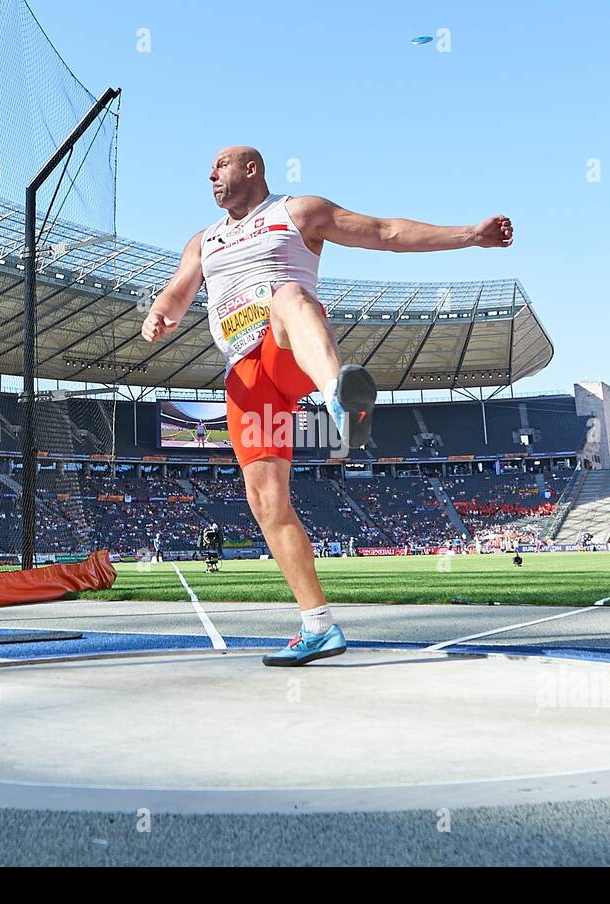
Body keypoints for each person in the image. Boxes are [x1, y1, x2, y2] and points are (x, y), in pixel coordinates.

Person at [141, 145, 512, 665]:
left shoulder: (297, 213)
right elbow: (180, 291)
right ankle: (318, 626)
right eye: (208, 169)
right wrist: (160, 312)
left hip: (287, 347)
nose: (210, 174)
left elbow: (385, 233)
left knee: (289, 294)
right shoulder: (204, 241)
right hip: (246, 381)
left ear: (252, 168)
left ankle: (340, 398)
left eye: (221, 165)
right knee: (267, 503)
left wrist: (470, 236)